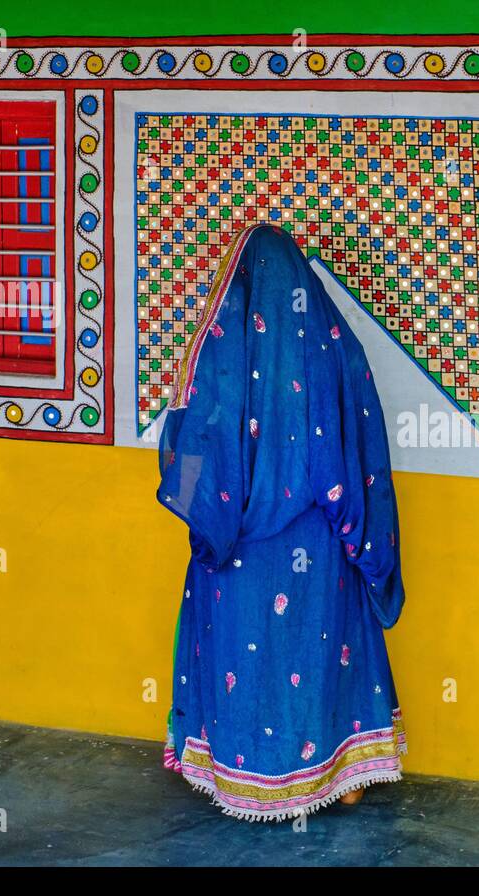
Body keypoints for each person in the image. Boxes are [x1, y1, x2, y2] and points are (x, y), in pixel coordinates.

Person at [157, 223, 405, 820]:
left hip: (238, 555)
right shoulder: (337, 345)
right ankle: (346, 778)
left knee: (249, 660)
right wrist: (363, 543)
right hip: (322, 548)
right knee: (325, 656)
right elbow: (363, 453)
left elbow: (192, 441)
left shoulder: (220, 352)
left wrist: (203, 523)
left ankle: (241, 774)